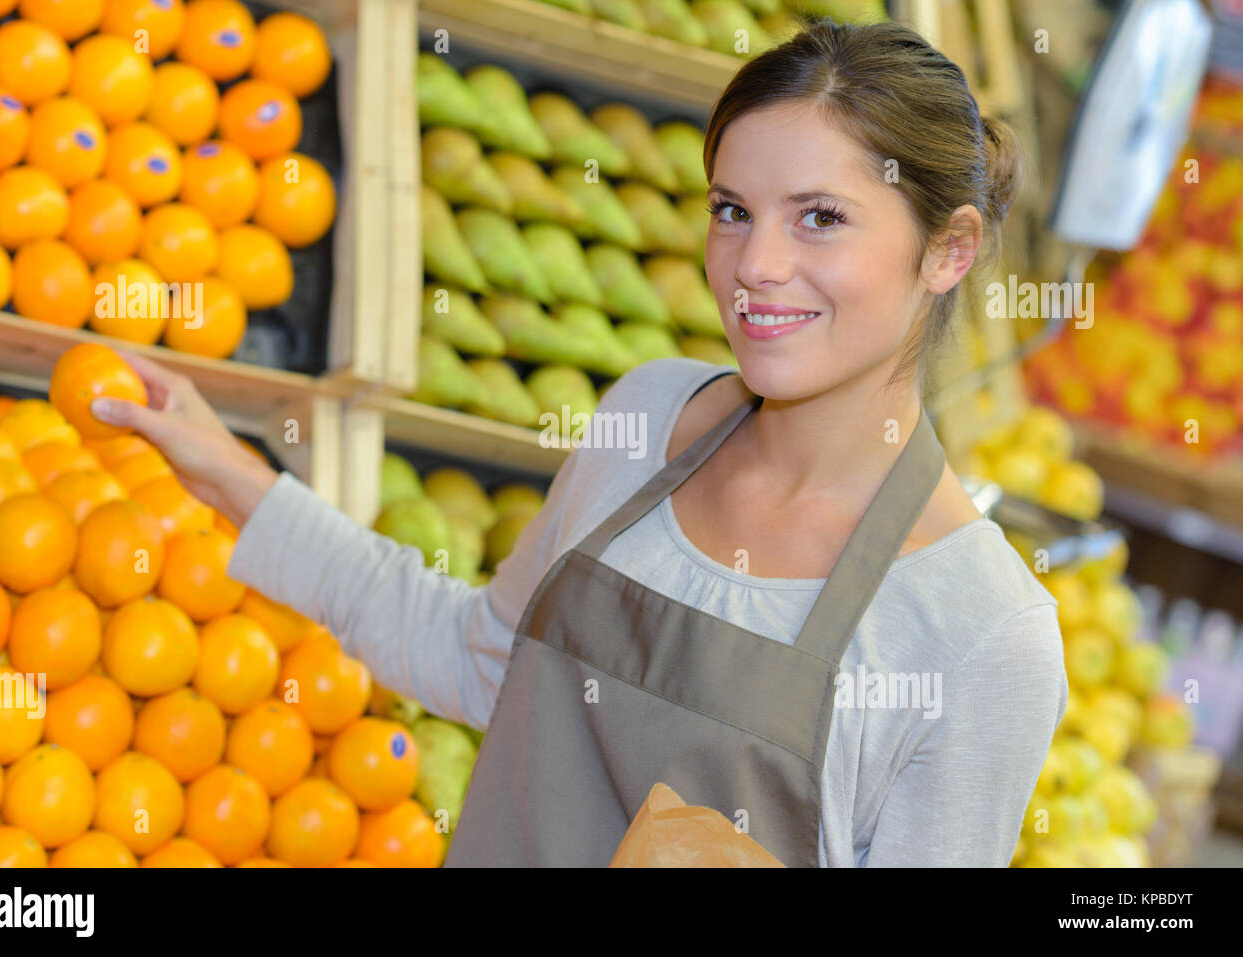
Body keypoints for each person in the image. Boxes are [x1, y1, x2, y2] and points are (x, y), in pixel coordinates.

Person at [91, 18, 1067, 867]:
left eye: (820, 219)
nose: (755, 266)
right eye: (732, 211)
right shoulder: (648, 418)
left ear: (950, 250)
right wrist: (230, 475)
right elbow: (477, 659)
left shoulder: (981, 634)